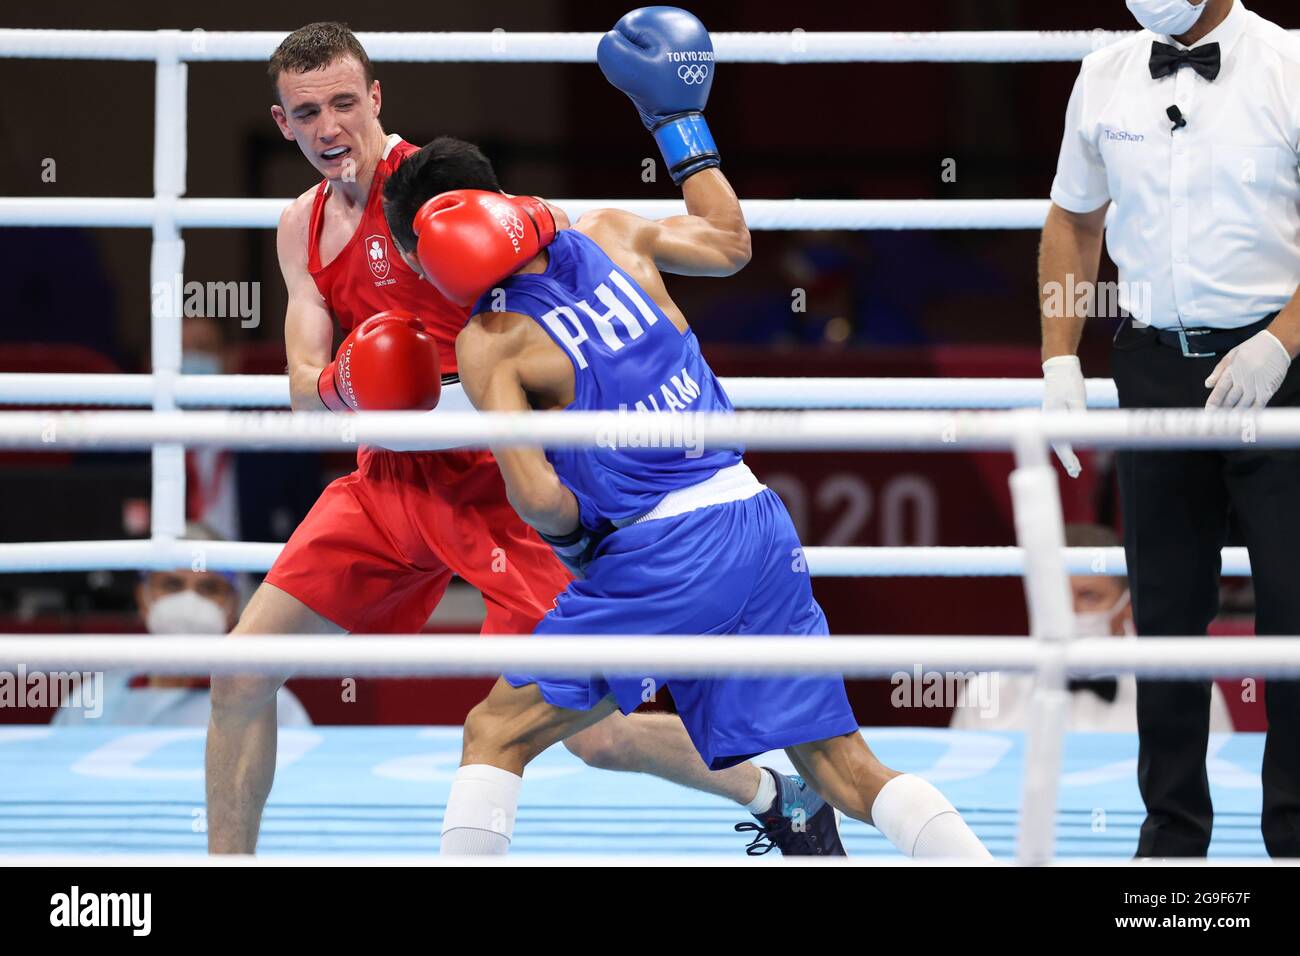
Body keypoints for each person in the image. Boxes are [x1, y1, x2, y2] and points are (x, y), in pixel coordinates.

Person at [205, 20, 828, 856]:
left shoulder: (440, 196)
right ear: (282, 122)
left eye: (345, 104)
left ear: (376, 98)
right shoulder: (299, 230)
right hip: (390, 486)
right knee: (240, 670)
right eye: (307, 112)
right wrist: (348, 382)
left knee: (593, 733)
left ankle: (778, 793)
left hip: (503, 489)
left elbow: (567, 291)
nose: (329, 128)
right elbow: (302, 389)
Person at [383, 7, 993, 860]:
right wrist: (677, 124)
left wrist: (581, 545)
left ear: (428, 246)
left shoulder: (490, 343)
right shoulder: (608, 229)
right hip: (755, 520)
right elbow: (733, 242)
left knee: (495, 732)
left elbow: (536, 494)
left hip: (661, 556)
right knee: (845, 767)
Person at [1040, 0, 1300, 855]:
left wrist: (1280, 343)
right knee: (1165, 613)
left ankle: (1295, 833)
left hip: (1283, 363)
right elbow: (1074, 222)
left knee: (1295, 612)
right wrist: (1059, 358)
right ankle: (1173, 839)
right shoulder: (1106, 75)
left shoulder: (1288, 64)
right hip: (1152, 366)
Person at [951, 524, 1233, 732]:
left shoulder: (1184, 688)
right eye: (1056, 594)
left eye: (1089, 596)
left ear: (1129, 603)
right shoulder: (988, 689)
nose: (1069, 610)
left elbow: (1221, 795)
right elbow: (956, 799)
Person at [55, 523, 310, 727]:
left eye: (208, 588)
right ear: (142, 598)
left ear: (233, 605)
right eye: (172, 585)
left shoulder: (273, 709)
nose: (189, 599)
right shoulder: (92, 702)